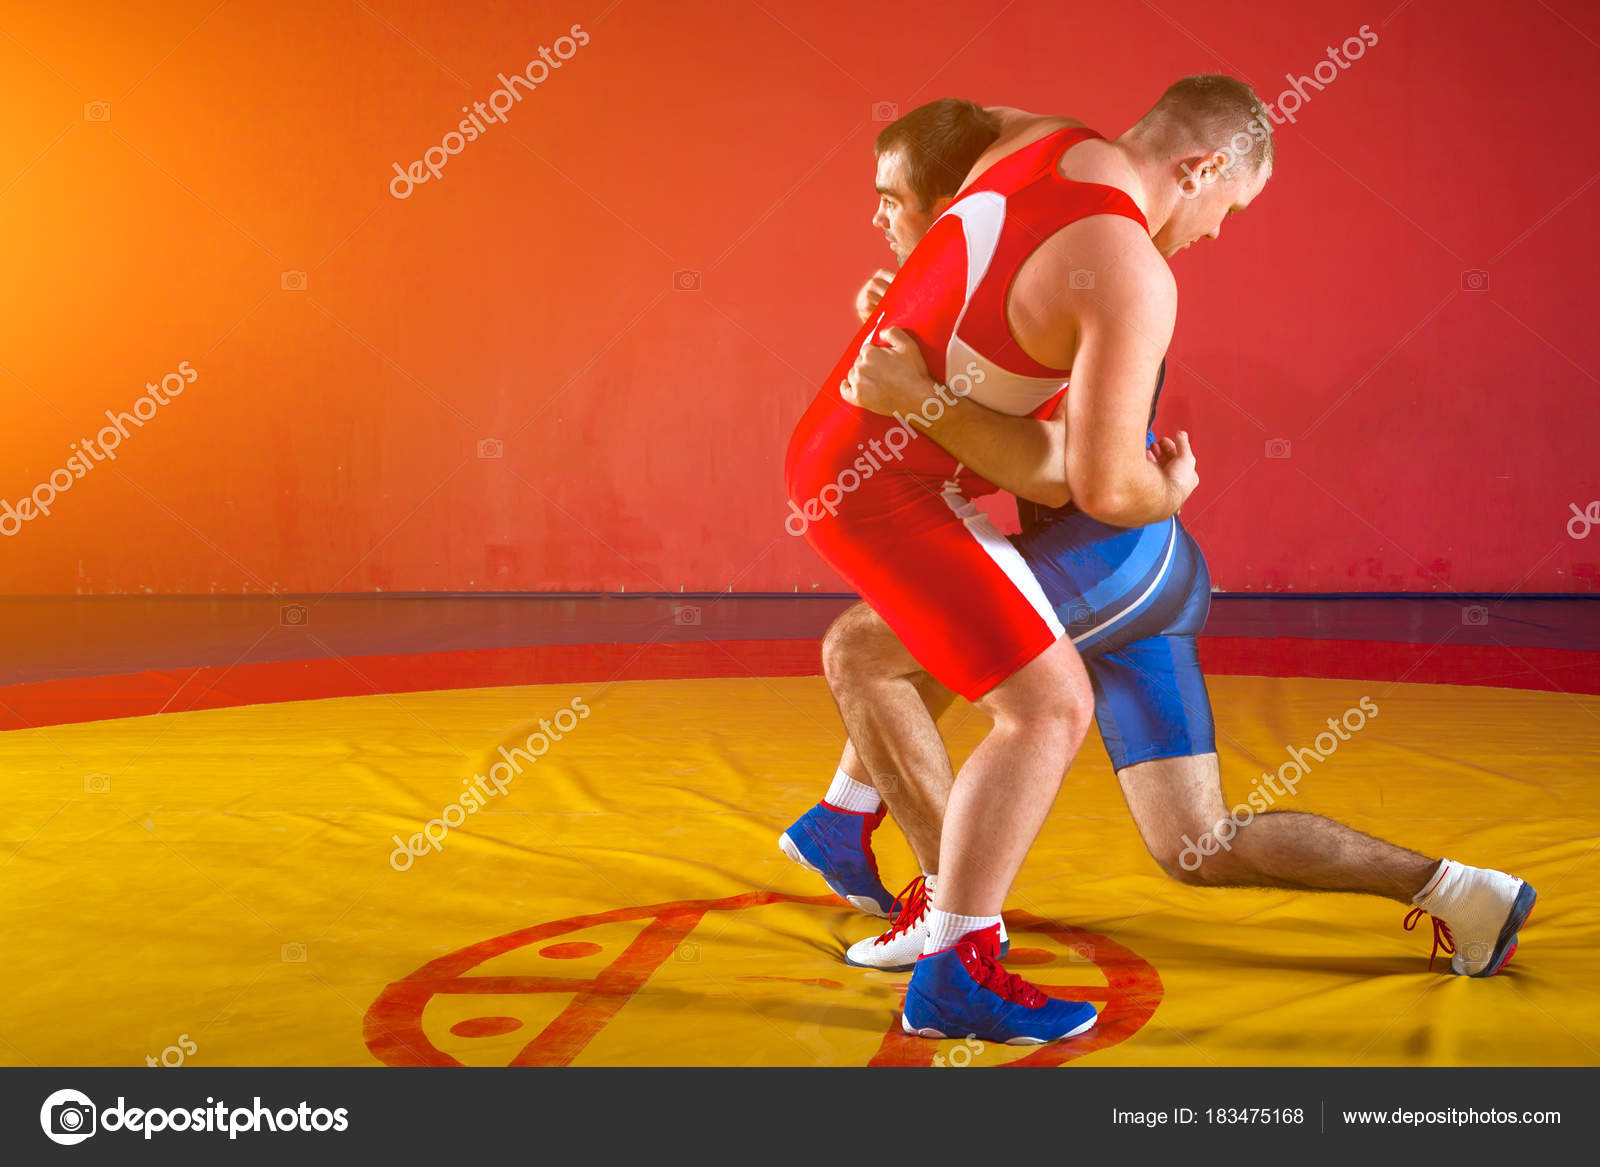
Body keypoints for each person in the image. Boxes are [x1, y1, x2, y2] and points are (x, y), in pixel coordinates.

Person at [784, 88, 1533, 1002]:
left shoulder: (1090, 238)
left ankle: (920, 893)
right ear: (1201, 169)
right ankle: (1464, 891)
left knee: (868, 651)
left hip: (1112, 555)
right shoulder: (1068, 236)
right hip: (1147, 572)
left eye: (903, 208)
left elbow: (1061, 475)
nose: (1218, 232)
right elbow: (955, 152)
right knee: (1199, 844)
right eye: (1231, 209)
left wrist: (916, 394)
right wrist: (915, 298)